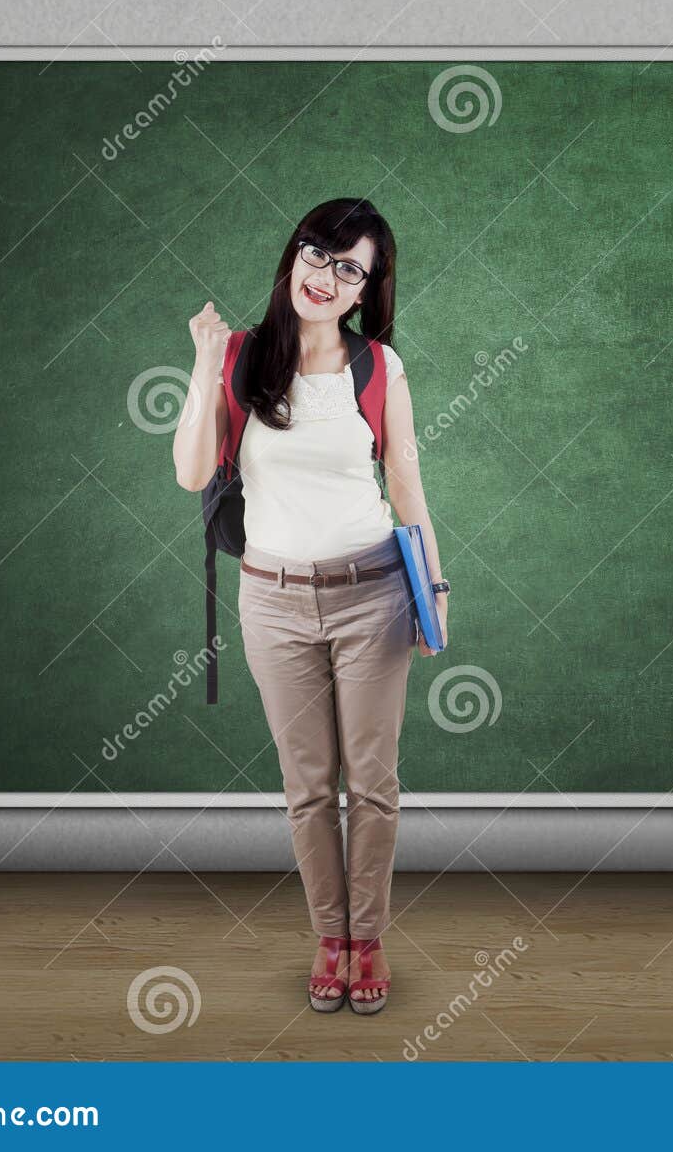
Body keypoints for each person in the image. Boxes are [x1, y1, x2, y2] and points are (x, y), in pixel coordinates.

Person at [172, 197, 448, 1014]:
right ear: (293, 254)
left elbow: (406, 483)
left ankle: (371, 941)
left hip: (372, 596)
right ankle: (330, 938)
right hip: (273, 601)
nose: (326, 276)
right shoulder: (242, 360)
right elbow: (192, 473)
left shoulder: (379, 368)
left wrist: (433, 589)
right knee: (306, 785)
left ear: (367, 288)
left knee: (373, 781)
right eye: (316, 253)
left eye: (349, 267)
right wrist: (201, 361)